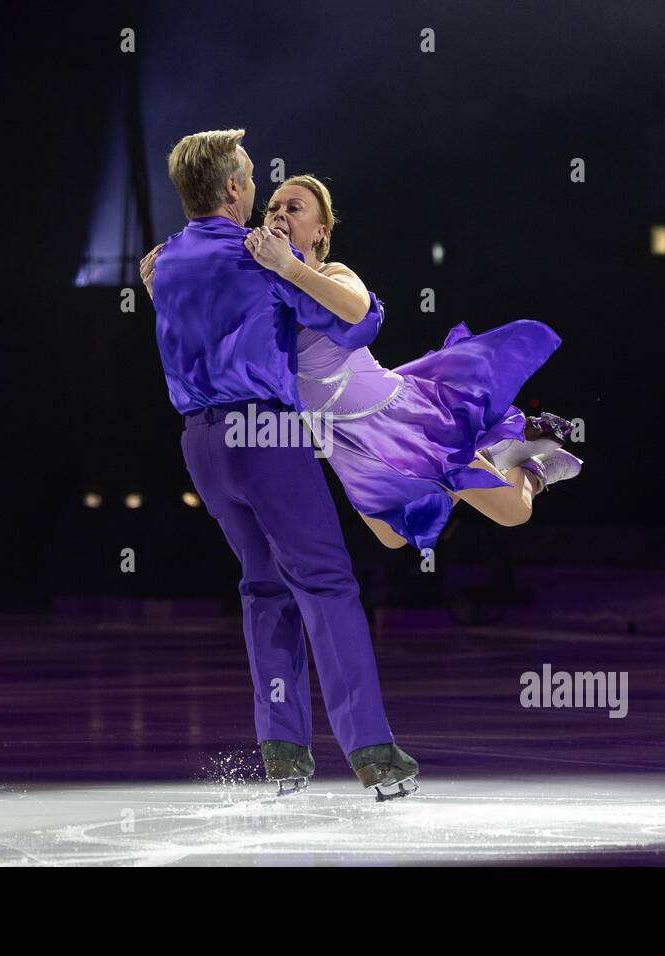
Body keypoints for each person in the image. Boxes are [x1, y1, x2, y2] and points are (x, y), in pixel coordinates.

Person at [149, 129, 418, 800]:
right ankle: (374, 754)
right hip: (263, 434)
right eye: (252, 182)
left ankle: (284, 751)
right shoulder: (255, 258)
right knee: (326, 584)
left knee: (264, 587)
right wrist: (292, 267)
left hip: (201, 446)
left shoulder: (163, 263)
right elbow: (359, 326)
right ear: (235, 189)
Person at [143, 174, 583, 554]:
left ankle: (535, 466)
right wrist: (161, 296)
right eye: (273, 206)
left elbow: (356, 310)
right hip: (339, 437)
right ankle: (487, 450)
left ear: (319, 230)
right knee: (394, 538)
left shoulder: (334, 273)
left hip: (396, 416)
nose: (278, 212)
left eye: (294, 207)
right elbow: (212, 348)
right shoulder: (261, 292)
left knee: (513, 513)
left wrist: (291, 270)